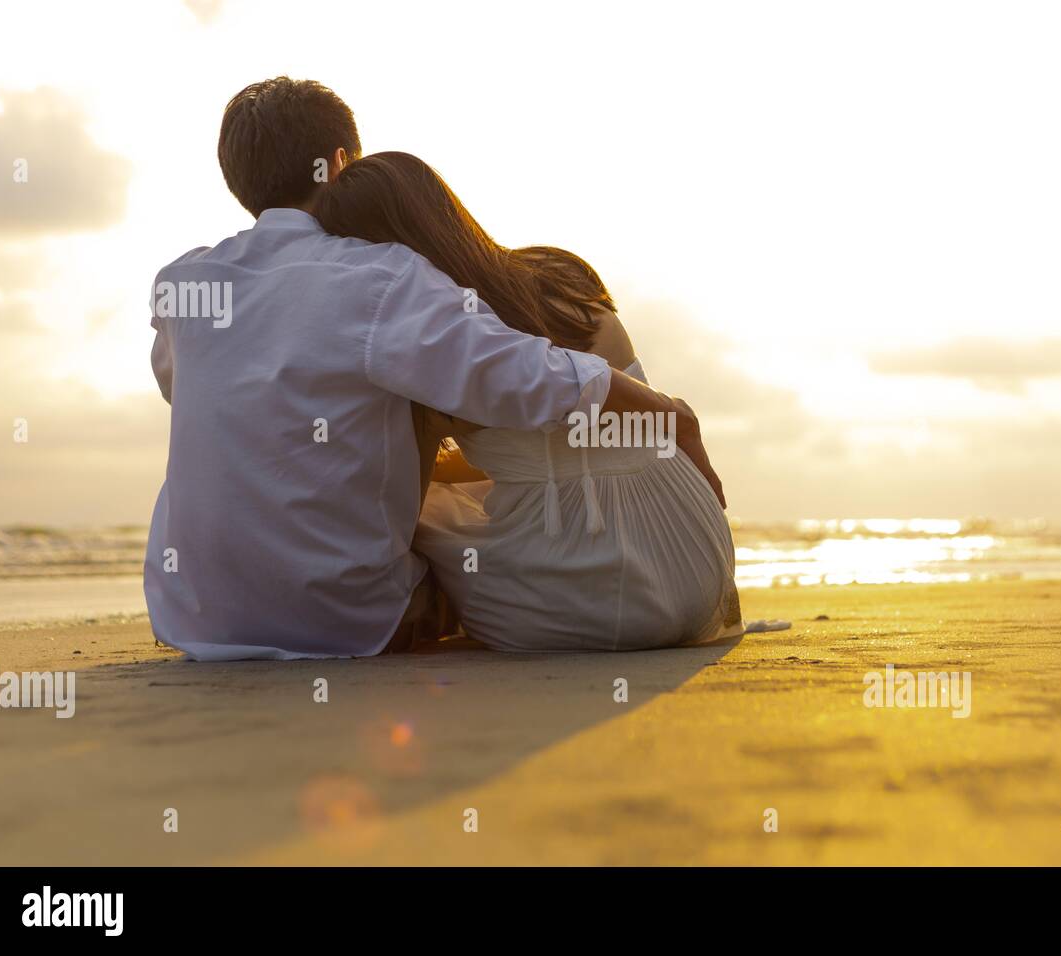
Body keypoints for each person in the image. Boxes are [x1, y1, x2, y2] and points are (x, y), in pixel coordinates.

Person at [144, 77, 722, 660]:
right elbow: (524, 375)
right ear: (342, 163)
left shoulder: (181, 285)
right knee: (436, 526)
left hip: (194, 619)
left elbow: (193, 393)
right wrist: (672, 416)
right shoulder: (382, 275)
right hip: (345, 624)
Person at [313, 152, 742, 651]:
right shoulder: (560, 272)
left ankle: (421, 611)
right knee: (503, 488)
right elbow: (560, 446)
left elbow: (411, 489)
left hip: (578, 605)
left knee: (420, 502)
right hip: (695, 564)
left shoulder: (435, 343)